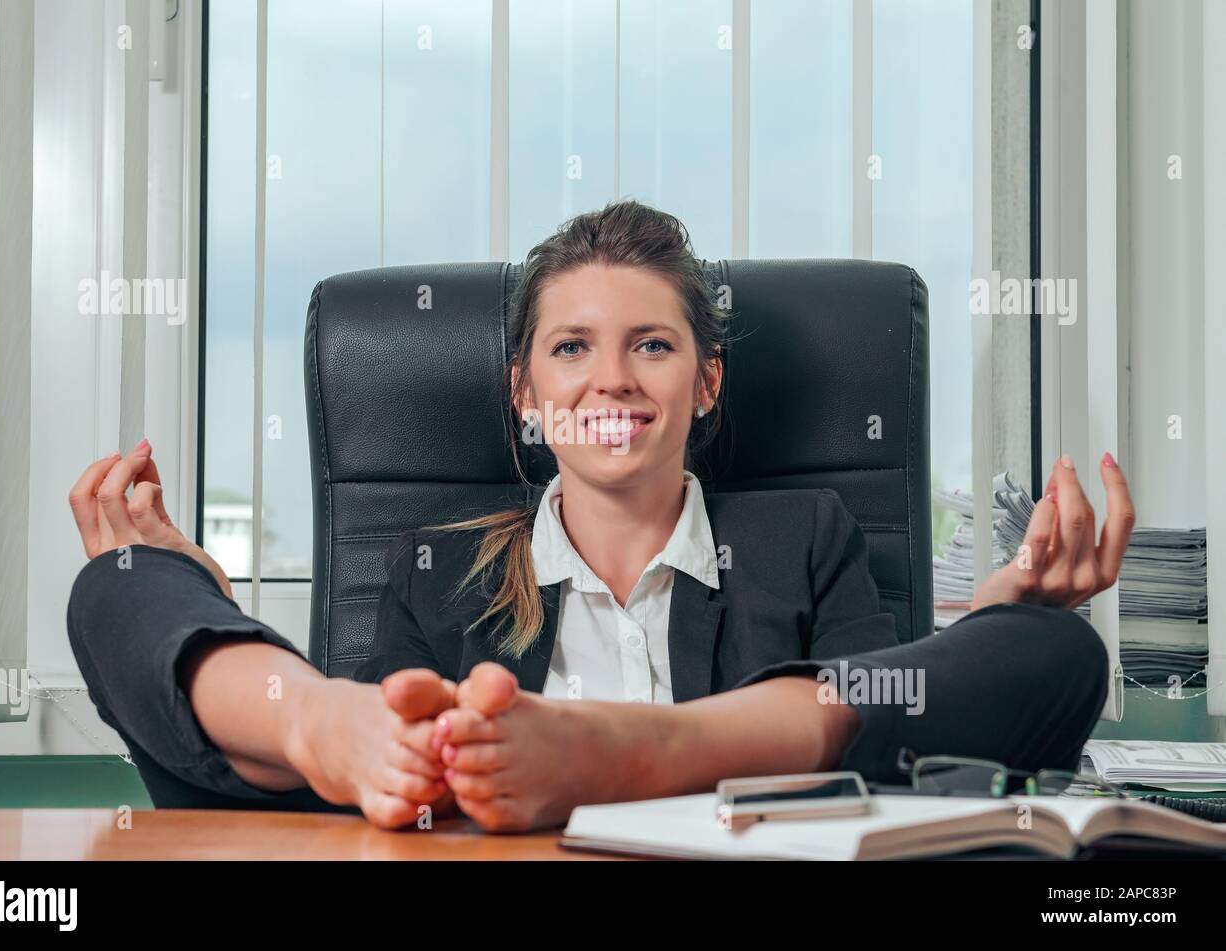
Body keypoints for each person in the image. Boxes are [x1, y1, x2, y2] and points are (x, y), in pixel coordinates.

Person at [66, 200, 1133, 833]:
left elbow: (885, 741)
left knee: (1048, 650)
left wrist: (990, 623)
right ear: (524, 393)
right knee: (120, 582)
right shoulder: (437, 563)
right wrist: (217, 623)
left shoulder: (802, 534)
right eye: (570, 348)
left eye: (653, 345)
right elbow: (398, 799)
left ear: (706, 385)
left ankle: (641, 747)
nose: (609, 381)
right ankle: (313, 713)